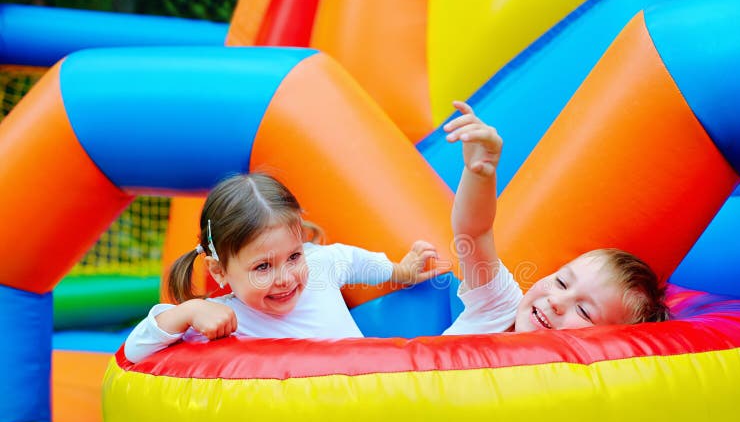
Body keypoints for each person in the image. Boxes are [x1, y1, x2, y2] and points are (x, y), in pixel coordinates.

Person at [124, 173, 444, 363]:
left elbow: (352, 260)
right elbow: (135, 352)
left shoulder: (319, 265)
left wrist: (400, 272)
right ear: (219, 271)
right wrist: (188, 312)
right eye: (263, 267)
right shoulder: (219, 317)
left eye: (293, 256)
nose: (285, 278)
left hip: (368, 389)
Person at [441, 101, 668, 335]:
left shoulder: (574, 371)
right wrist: (478, 173)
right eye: (561, 282)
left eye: (584, 311)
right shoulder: (499, 306)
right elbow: (474, 232)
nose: (556, 302)